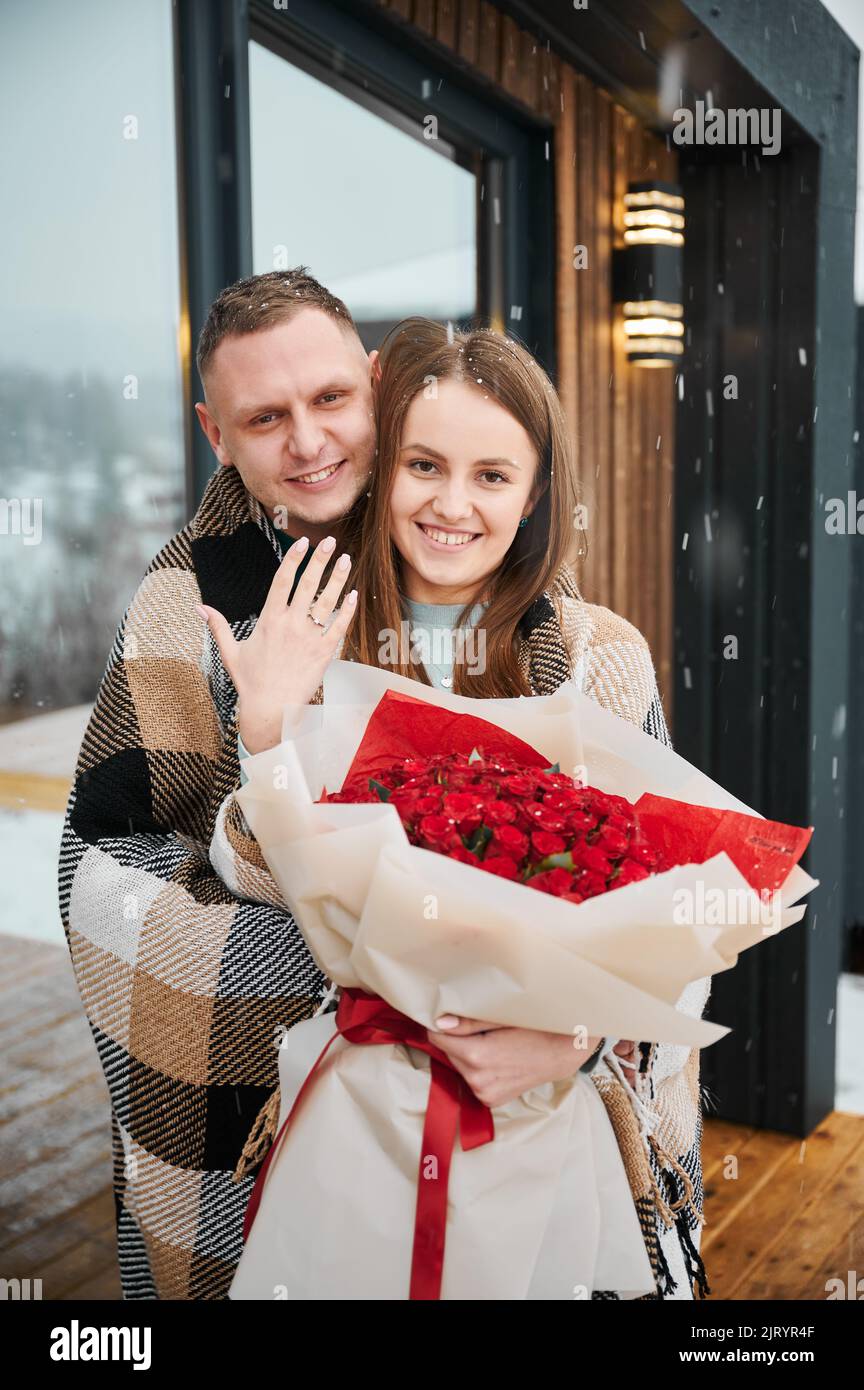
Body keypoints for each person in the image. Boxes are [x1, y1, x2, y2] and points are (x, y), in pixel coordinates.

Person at [57, 270, 644, 1301]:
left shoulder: (533, 613)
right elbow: (106, 865)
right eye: (264, 417)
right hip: (310, 1103)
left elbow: (631, 877)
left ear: (376, 382)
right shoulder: (184, 603)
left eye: (330, 401)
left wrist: (576, 1019)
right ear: (214, 432)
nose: (309, 443)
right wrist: (352, 961)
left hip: (521, 1125)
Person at [202, 316, 712, 1300]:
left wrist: (577, 1036)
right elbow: (251, 876)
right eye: (424, 464)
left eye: (491, 475)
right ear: (382, 467)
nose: (451, 504)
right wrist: (264, 732)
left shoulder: (601, 655)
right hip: (361, 1108)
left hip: (544, 1116)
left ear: (534, 497)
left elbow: (679, 904)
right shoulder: (311, 635)